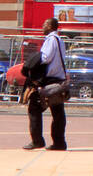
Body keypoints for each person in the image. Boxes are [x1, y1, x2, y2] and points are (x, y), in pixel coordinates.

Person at [23, 18, 69, 152]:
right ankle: (59, 142)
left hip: (49, 80)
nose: (42, 26)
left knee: (34, 107)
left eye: (44, 24)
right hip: (59, 79)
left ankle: (37, 140)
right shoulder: (60, 40)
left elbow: (45, 57)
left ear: (49, 26)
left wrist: (33, 61)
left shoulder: (50, 39)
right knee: (58, 112)